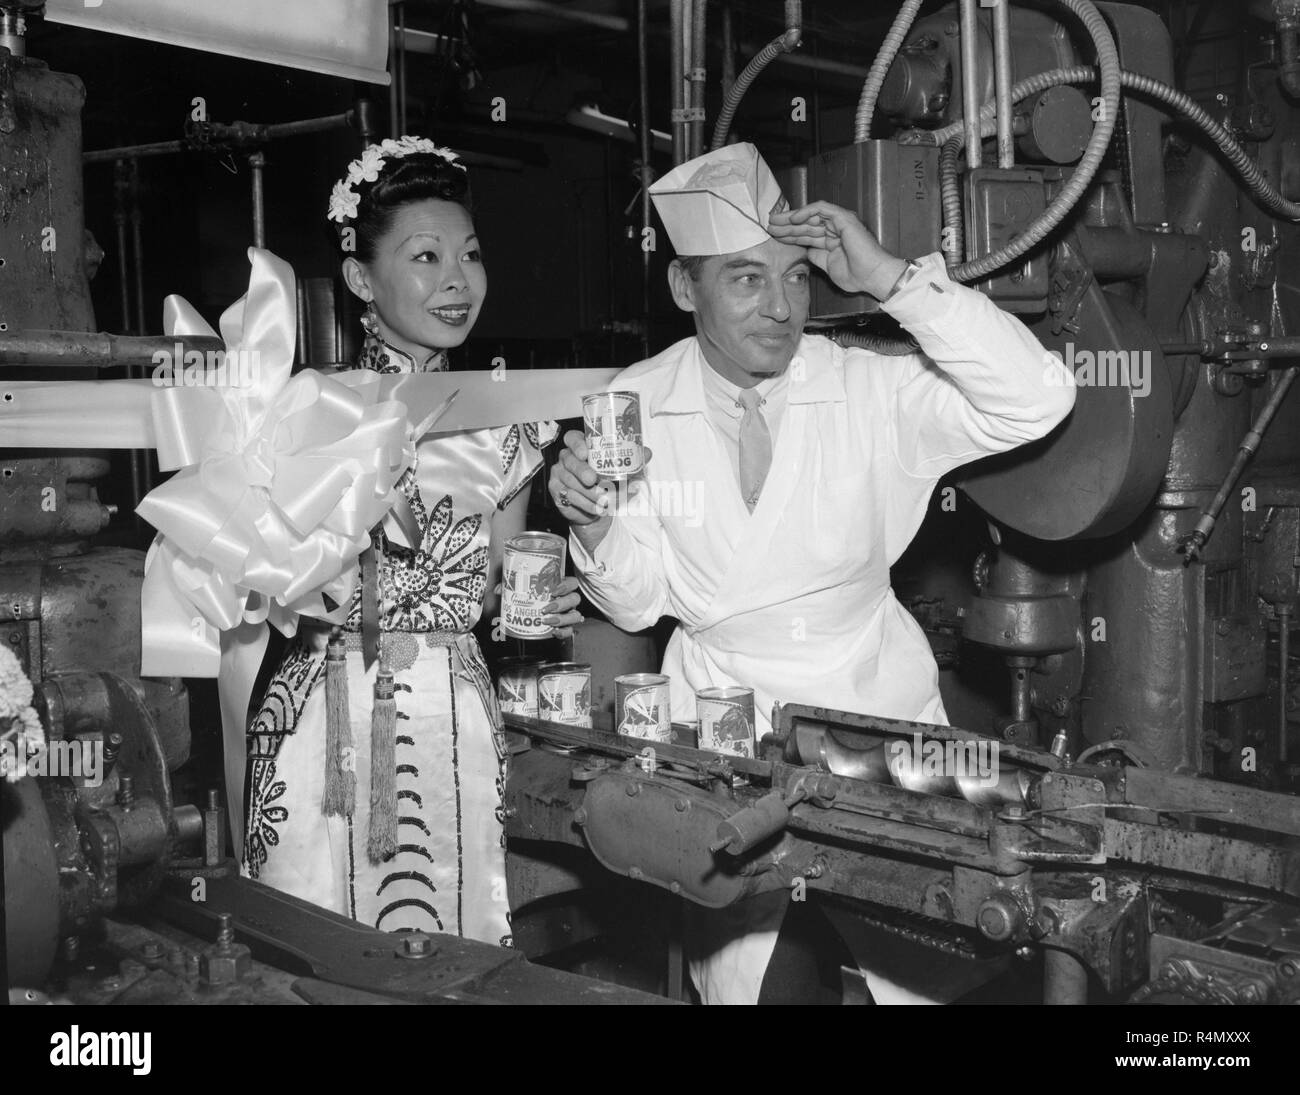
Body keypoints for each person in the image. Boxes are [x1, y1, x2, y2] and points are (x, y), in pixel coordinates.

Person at [547, 142, 1076, 1002]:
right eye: (746, 279)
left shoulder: (869, 387)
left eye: (796, 277)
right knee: (771, 987)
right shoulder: (634, 401)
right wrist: (595, 519)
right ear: (685, 289)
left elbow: (1038, 396)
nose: (783, 307)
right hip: (729, 737)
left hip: (876, 723)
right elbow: (638, 598)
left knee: (936, 970)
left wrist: (892, 278)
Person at [241, 136, 581, 946]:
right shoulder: (308, 409)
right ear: (361, 277)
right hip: (325, 711)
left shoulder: (507, 417)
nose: (457, 280)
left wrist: (537, 602)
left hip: (454, 709)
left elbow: (500, 585)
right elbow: (258, 578)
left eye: (469, 255)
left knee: (451, 942)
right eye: (425, 256)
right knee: (315, 948)